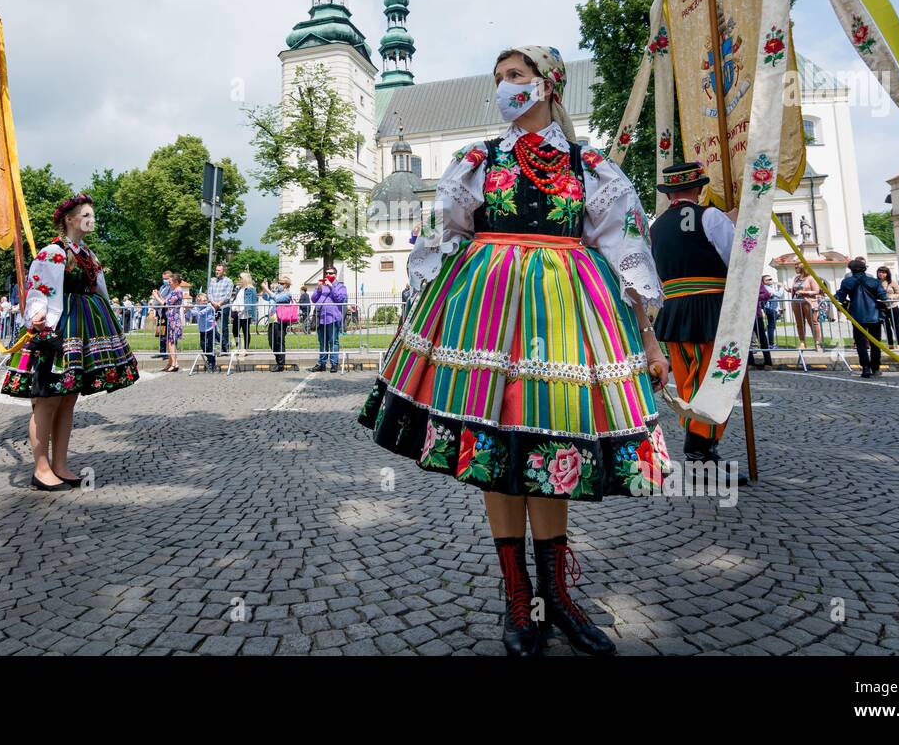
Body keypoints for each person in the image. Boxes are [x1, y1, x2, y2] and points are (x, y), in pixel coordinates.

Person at [359, 45, 668, 658]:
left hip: (565, 313)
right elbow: (440, 238)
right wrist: (416, 320)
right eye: (500, 79)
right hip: (485, 314)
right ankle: (518, 599)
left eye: (517, 77)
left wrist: (649, 338)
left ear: (548, 86)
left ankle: (555, 596)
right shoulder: (477, 160)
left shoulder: (592, 165)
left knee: (551, 443)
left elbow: (625, 252)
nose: (506, 87)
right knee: (494, 445)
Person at [0, 193, 140, 490]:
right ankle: (41, 467)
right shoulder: (53, 252)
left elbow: (100, 290)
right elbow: (38, 290)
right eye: (85, 216)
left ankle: (60, 464)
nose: (91, 221)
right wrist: (38, 321)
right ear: (69, 219)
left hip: (84, 327)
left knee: (68, 398)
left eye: (92, 216)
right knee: (47, 400)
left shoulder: (88, 255)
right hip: (60, 327)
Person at [649, 160, 745, 475]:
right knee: (717, 378)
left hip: (675, 309)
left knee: (689, 378)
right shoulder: (711, 216)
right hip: (710, 307)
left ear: (669, 193)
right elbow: (737, 259)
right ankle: (701, 449)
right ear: (699, 188)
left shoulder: (656, 226)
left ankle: (699, 447)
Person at [836, 258, 886, 378]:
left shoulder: (847, 282)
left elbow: (840, 297)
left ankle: (866, 368)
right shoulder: (874, 281)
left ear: (851, 270)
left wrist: (837, 299)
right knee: (875, 343)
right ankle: (876, 367)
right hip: (874, 315)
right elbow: (883, 296)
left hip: (857, 316)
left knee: (861, 344)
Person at [310, 267, 347, 372]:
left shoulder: (341, 286)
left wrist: (331, 287)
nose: (327, 275)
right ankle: (322, 363)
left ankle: (334, 364)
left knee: (333, 341)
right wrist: (318, 289)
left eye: (330, 273)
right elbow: (313, 299)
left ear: (335, 274)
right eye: (326, 273)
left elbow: (340, 298)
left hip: (333, 318)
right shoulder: (323, 286)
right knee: (322, 342)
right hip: (321, 317)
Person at [260, 276, 296, 371]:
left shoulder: (287, 294)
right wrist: (264, 289)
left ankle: (280, 364)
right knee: (271, 341)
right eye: (279, 282)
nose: (279, 284)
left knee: (279, 341)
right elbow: (265, 297)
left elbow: (276, 298)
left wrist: (267, 289)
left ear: (286, 285)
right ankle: (278, 360)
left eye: (282, 283)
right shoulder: (275, 292)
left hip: (281, 320)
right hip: (272, 319)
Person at [789, 264, 823, 352]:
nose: (795, 268)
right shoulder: (796, 278)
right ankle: (802, 342)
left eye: (797, 267)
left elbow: (817, 291)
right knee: (799, 323)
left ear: (803, 268)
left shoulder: (811, 278)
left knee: (813, 322)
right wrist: (789, 289)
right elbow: (795, 290)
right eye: (795, 267)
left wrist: (804, 292)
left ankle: (817, 343)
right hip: (796, 302)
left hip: (808, 302)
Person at [206, 262, 233, 364]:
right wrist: (213, 302)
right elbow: (209, 292)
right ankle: (216, 344)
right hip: (213, 306)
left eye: (219, 270)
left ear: (223, 271)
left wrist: (220, 303)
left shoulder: (228, 281)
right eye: (216, 270)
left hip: (223, 306)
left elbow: (228, 295)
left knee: (224, 327)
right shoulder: (212, 280)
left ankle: (225, 347)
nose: (217, 272)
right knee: (212, 326)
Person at [161, 273, 185, 372]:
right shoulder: (174, 290)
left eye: (170, 282)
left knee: (171, 342)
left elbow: (167, 303)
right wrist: (158, 295)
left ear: (175, 282)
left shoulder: (178, 291)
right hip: (170, 318)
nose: (169, 283)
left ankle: (175, 363)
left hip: (173, 319)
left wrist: (156, 296)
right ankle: (170, 362)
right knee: (169, 341)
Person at [188, 293, 218, 371]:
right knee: (203, 346)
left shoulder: (208, 306)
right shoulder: (197, 307)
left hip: (210, 328)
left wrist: (192, 308)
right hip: (202, 330)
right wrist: (190, 308)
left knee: (210, 345)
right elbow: (193, 313)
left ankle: (212, 362)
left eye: (206, 300)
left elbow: (199, 313)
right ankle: (210, 358)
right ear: (198, 301)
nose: (205, 302)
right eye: (203, 301)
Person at [875, 265, 899, 348]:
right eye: (879, 272)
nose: (881, 274)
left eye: (883, 272)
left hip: (893, 306)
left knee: (896, 326)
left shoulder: (892, 282)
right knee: (886, 326)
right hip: (881, 307)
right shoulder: (876, 282)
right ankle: (890, 344)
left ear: (887, 274)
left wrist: (891, 297)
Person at [230, 271, 257, 354]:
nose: (239, 279)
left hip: (245, 313)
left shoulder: (250, 289)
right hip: (237, 313)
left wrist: (242, 309)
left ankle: (245, 349)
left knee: (246, 331)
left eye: (241, 278)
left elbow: (250, 302)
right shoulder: (239, 289)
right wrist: (234, 307)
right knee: (235, 331)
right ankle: (239, 346)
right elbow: (236, 299)